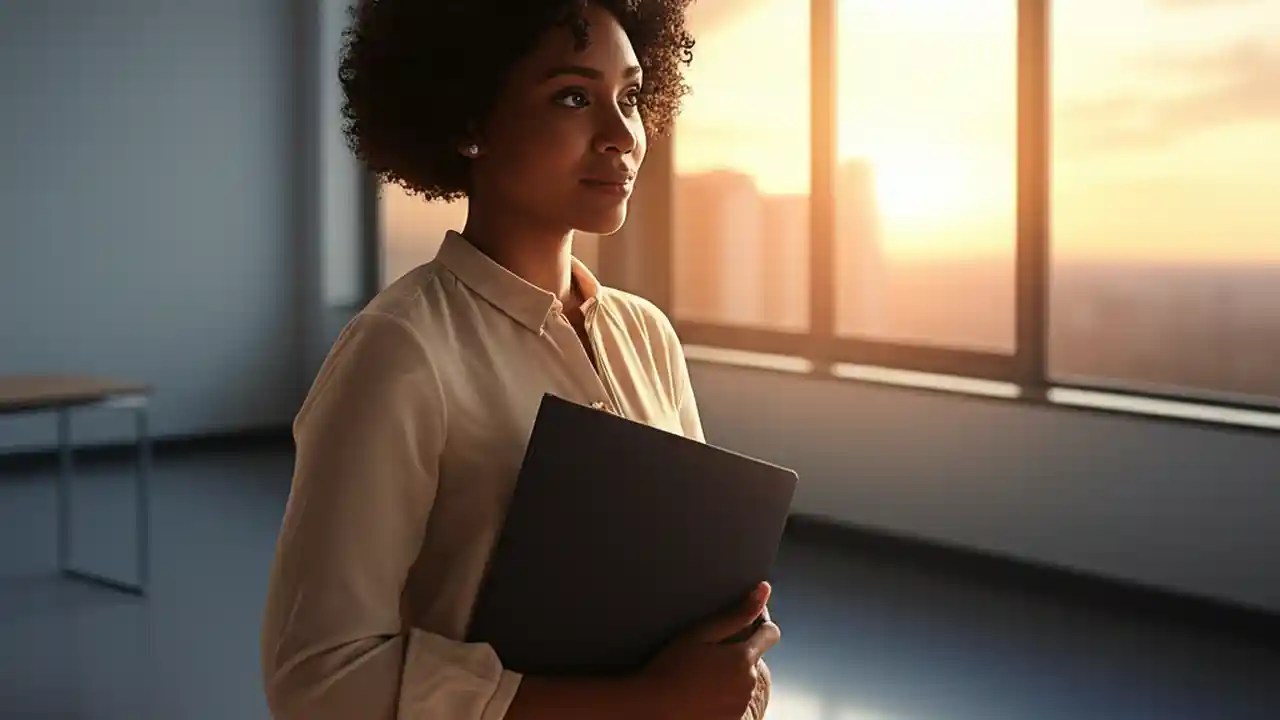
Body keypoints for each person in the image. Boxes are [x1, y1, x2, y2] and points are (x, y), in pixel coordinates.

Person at [259, 1, 781, 718]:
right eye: (573, 97)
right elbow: (319, 678)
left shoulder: (647, 336)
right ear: (469, 120)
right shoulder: (398, 352)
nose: (621, 135)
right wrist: (642, 703)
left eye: (628, 97)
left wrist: (731, 661)